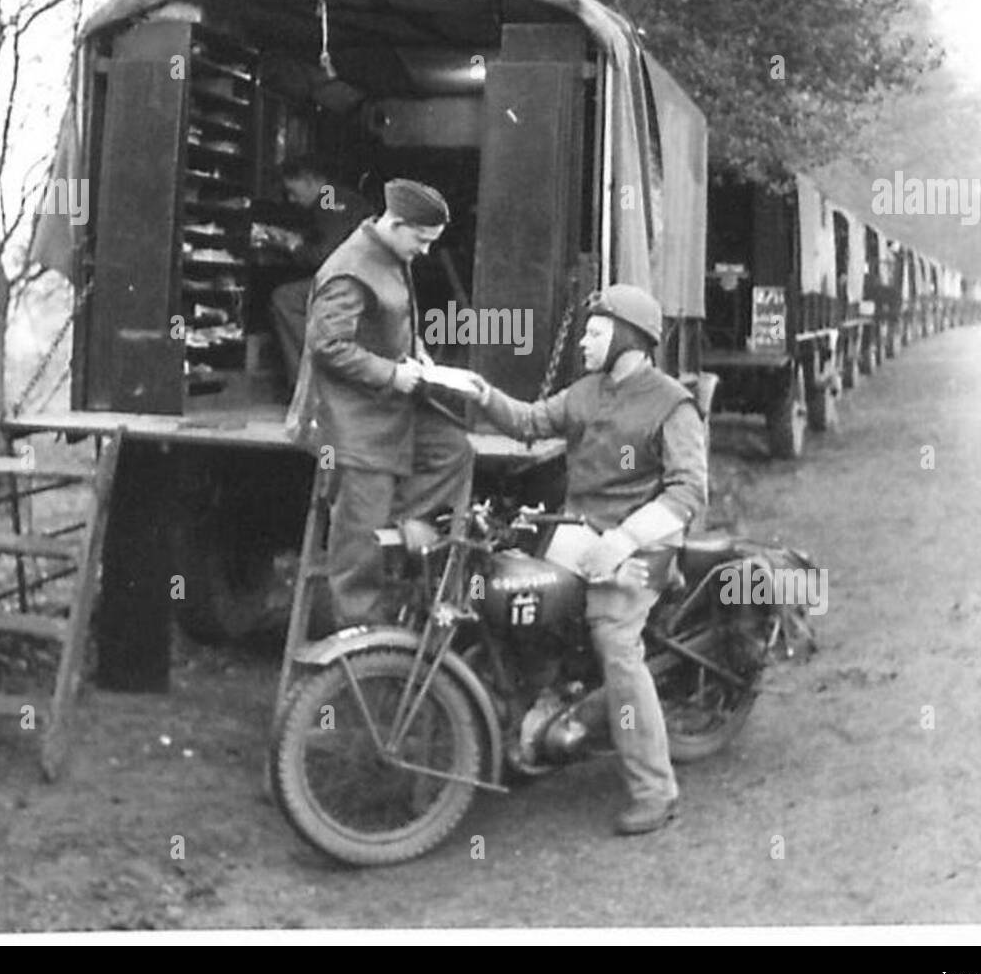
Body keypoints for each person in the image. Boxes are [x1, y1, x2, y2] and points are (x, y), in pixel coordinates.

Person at [458, 284, 708, 837]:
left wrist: (623, 540)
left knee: (616, 644)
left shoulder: (672, 402)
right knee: (522, 603)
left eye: (595, 332)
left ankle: (654, 789)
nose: (584, 342)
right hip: (578, 527)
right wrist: (480, 392)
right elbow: (527, 422)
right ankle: (537, 725)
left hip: (643, 540)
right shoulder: (586, 392)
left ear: (628, 339)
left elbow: (689, 492)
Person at [290, 178, 474, 629]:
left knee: (454, 450)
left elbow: (391, 316)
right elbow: (328, 346)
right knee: (361, 550)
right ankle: (359, 648)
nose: (427, 251)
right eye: (422, 240)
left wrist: (417, 355)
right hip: (353, 424)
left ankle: (405, 517)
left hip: (387, 408)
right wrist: (392, 373)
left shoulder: (390, 252)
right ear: (395, 223)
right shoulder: (350, 268)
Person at [265, 156, 372, 384]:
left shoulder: (329, 198)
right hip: (363, 279)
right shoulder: (340, 199)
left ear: (309, 180)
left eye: (293, 191)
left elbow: (326, 255)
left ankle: (313, 378)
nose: (292, 199)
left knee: (285, 299)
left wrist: (292, 245)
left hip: (354, 283)